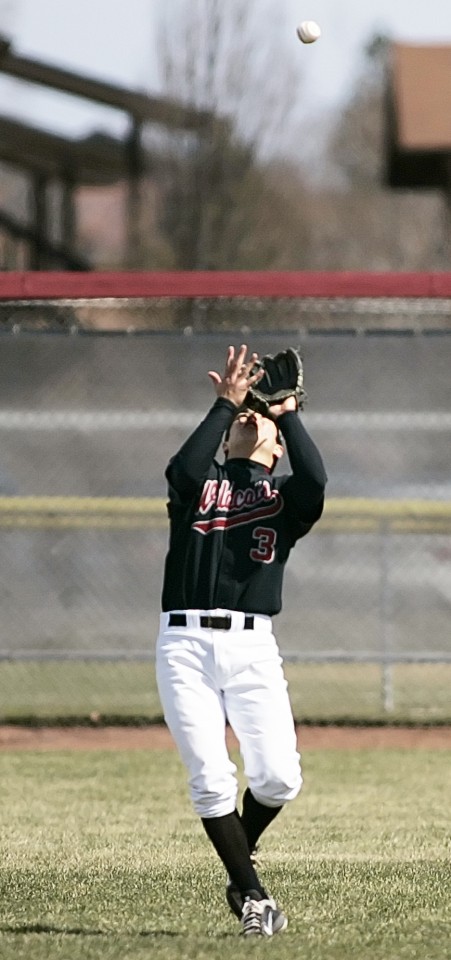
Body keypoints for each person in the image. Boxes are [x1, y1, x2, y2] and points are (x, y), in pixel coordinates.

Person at [156, 344, 327, 937]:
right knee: (211, 779)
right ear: (228, 436)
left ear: (276, 450)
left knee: (279, 778)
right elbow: (182, 469)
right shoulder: (198, 485)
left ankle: (237, 859)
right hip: (184, 647)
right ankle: (253, 896)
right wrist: (225, 406)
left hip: (252, 649)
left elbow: (316, 479)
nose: (251, 421)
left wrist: (287, 415)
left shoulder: (283, 500)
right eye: (241, 422)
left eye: (262, 423)